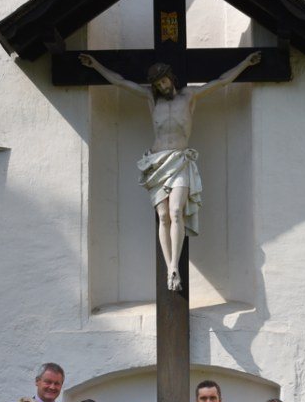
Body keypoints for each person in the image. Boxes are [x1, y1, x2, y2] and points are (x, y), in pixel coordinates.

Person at [78, 50, 262, 291]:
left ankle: (175, 265)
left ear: (171, 78)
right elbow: (119, 82)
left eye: (163, 81)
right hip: (157, 162)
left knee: (176, 211)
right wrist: (96, 66)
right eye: (156, 84)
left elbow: (222, 81)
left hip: (179, 160)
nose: (161, 86)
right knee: (163, 216)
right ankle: (170, 268)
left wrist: (246, 63)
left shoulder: (189, 96)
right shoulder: (151, 99)